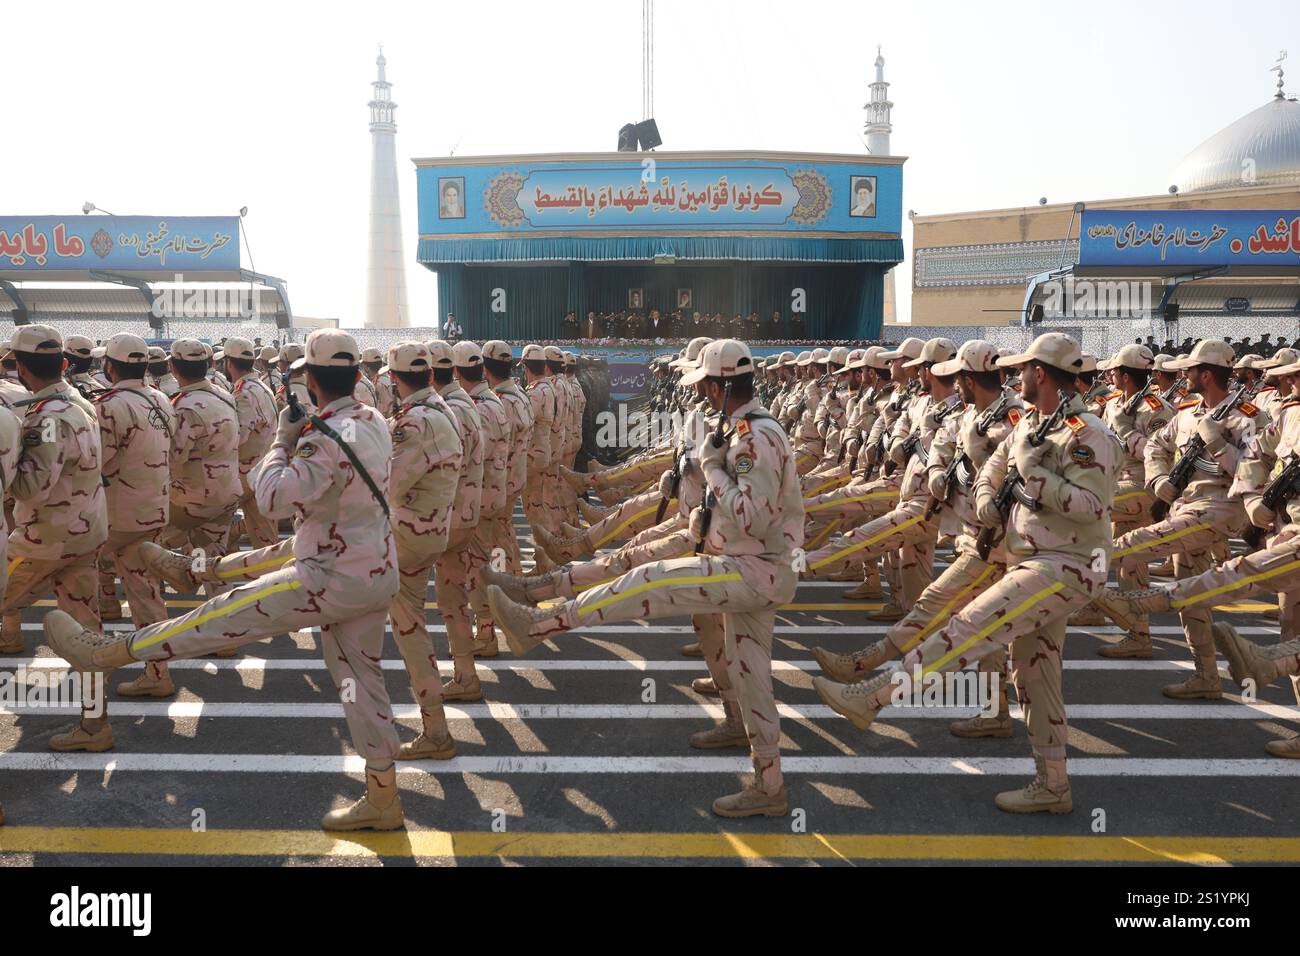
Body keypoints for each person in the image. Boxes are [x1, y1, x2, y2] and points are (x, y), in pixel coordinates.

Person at [47, 329, 408, 830]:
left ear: (311, 380)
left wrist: (283, 443)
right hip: (369, 566)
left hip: (328, 577)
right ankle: (384, 797)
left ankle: (108, 652)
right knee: (363, 685)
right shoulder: (373, 421)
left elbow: (274, 499)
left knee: (221, 614)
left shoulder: (325, 435)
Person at [488, 339, 805, 817]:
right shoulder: (742, 428)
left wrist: (713, 468)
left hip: (753, 569)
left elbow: (752, 515)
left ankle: (537, 625)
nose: (703, 395)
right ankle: (769, 784)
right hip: (756, 566)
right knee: (752, 676)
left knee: (647, 580)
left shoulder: (754, 437)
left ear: (722, 385)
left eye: (707, 386)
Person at [816, 332, 1120, 813]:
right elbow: (988, 477)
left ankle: (873, 697)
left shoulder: (1087, 433)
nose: (1015, 376)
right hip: (1026, 557)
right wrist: (989, 504)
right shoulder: (1034, 427)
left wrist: (1032, 477)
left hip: (1067, 564)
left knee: (968, 627)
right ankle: (1054, 785)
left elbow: (1090, 505)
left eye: (1023, 369)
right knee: (1034, 677)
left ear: (1040, 372)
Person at [0, 325, 108, 751]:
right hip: (85, 533)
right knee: (86, 637)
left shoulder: (45, 417)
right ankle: (96, 726)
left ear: (21, 367)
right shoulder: (79, 401)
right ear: (64, 364)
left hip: (44, 542)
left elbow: (30, 489)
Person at [383, 340, 462, 759]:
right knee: (409, 623)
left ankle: (435, 730)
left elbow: (390, 487)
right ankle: (435, 727)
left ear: (395, 379)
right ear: (429, 375)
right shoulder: (439, 409)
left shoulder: (413, 422)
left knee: (408, 628)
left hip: (408, 534)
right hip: (432, 530)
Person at [90, 333, 174, 695]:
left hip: (119, 516)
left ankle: (97, 667)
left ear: (109, 366)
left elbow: (96, 462)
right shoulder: (160, 398)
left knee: (77, 583)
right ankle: (157, 672)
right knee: (145, 591)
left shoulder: (110, 405)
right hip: (154, 507)